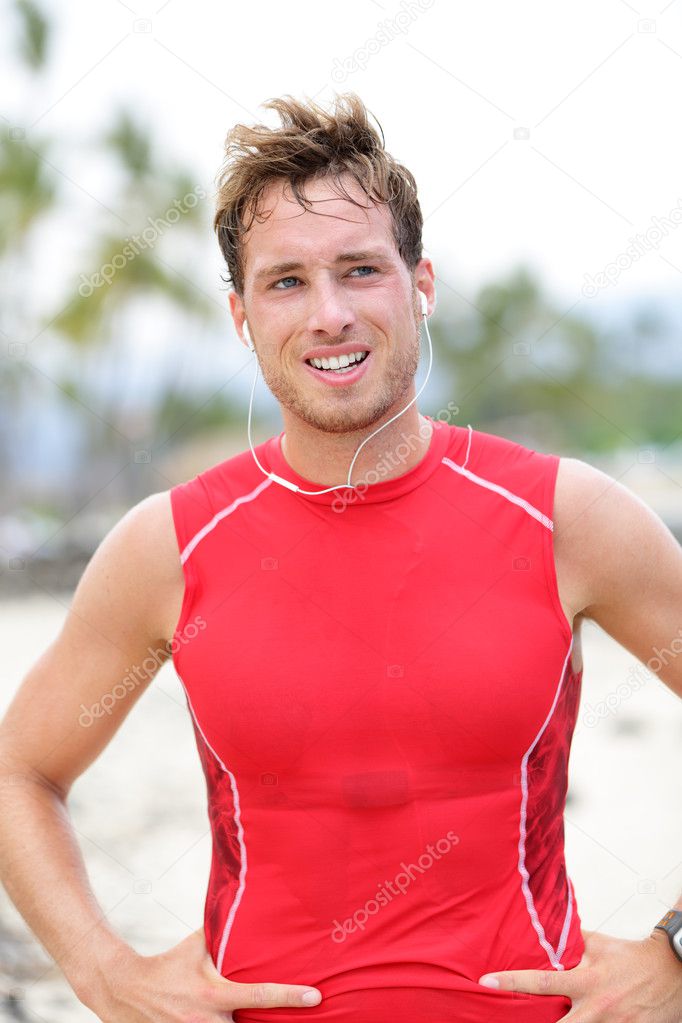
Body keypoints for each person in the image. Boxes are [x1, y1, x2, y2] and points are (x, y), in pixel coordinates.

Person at [1, 91, 681, 1023]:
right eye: (286, 282)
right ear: (241, 316)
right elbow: (19, 773)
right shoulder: (170, 547)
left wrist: (675, 952)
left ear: (421, 283)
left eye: (360, 269)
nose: (329, 314)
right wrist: (103, 971)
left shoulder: (565, 516)